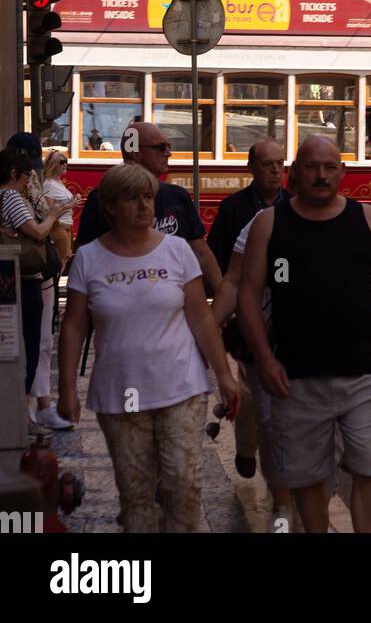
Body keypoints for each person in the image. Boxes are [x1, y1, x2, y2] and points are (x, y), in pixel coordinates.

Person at [239, 135, 371, 535]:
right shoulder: (270, 223)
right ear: (295, 174)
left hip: (364, 375)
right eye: (311, 167)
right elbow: (248, 295)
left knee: (370, 467)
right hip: (296, 378)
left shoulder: (368, 219)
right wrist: (264, 358)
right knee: (307, 476)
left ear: (342, 172)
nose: (321, 175)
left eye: (329, 167)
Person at [58, 163, 240, 533]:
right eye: (132, 198)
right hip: (121, 393)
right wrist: (65, 390)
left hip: (181, 387)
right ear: (110, 207)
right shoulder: (90, 258)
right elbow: (74, 325)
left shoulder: (176, 251)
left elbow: (201, 318)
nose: (144, 206)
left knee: (183, 485)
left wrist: (223, 374)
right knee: (135, 495)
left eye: (148, 197)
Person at [206, 139, 287, 478]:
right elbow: (220, 263)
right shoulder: (234, 208)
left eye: (280, 163)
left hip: (283, 321)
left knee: (278, 399)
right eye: (267, 164)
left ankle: (278, 467)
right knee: (251, 389)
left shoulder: (294, 206)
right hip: (247, 315)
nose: (274, 170)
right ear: (251, 168)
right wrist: (223, 313)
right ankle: (246, 449)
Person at [76, 122, 222, 295]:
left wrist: (223, 299)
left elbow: (201, 252)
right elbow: (85, 255)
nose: (168, 153)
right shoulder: (103, 197)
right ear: (136, 153)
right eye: (160, 148)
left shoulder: (178, 196)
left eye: (168, 146)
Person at [0, 148, 72, 409]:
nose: (27, 183)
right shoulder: (11, 197)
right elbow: (38, 232)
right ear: (13, 174)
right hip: (25, 275)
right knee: (29, 345)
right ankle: (18, 411)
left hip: (8, 275)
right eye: (25, 177)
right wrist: (53, 215)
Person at [43, 151, 77, 269]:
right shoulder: (49, 184)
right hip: (58, 226)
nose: (65, 164)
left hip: (67, 226)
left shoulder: (59, 183)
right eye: (62, 162)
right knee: (61, 260)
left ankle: (55, 285)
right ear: (53, 164)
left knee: (65, 258)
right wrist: (70, 205)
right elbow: (50, 212)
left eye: (66, 162)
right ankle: (55, 286)